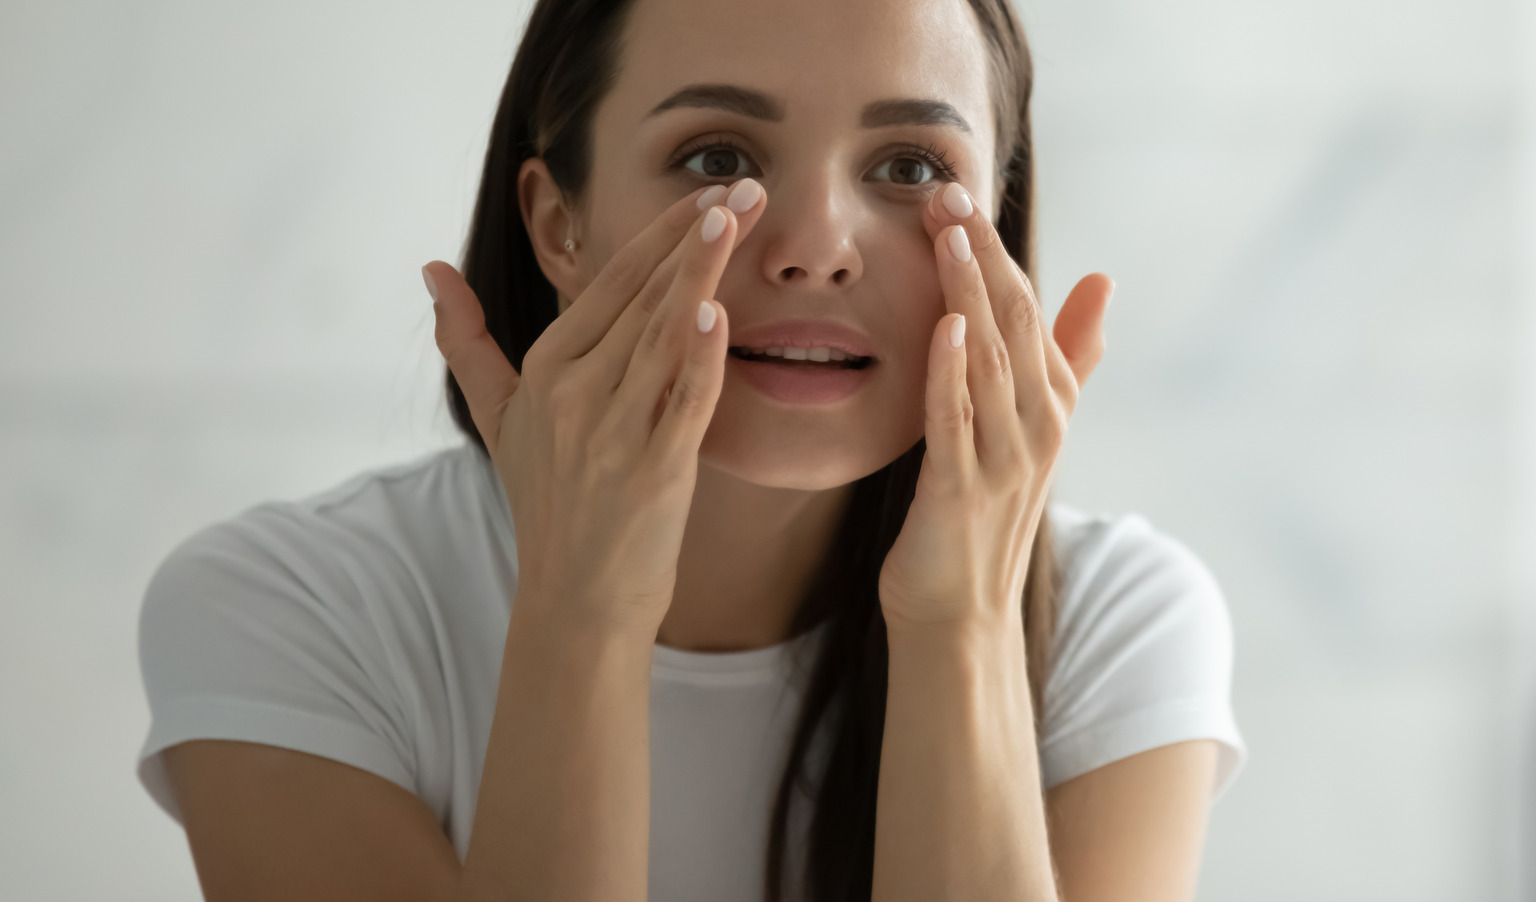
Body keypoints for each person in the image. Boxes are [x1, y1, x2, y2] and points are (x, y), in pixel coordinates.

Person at [134, 0, 1247, 899]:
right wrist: (583, 604)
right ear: (558, 224)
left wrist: (961, 625)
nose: (817, 247)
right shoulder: (290, 610)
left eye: (908, 167)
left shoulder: (1117, 626)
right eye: (717, 154)